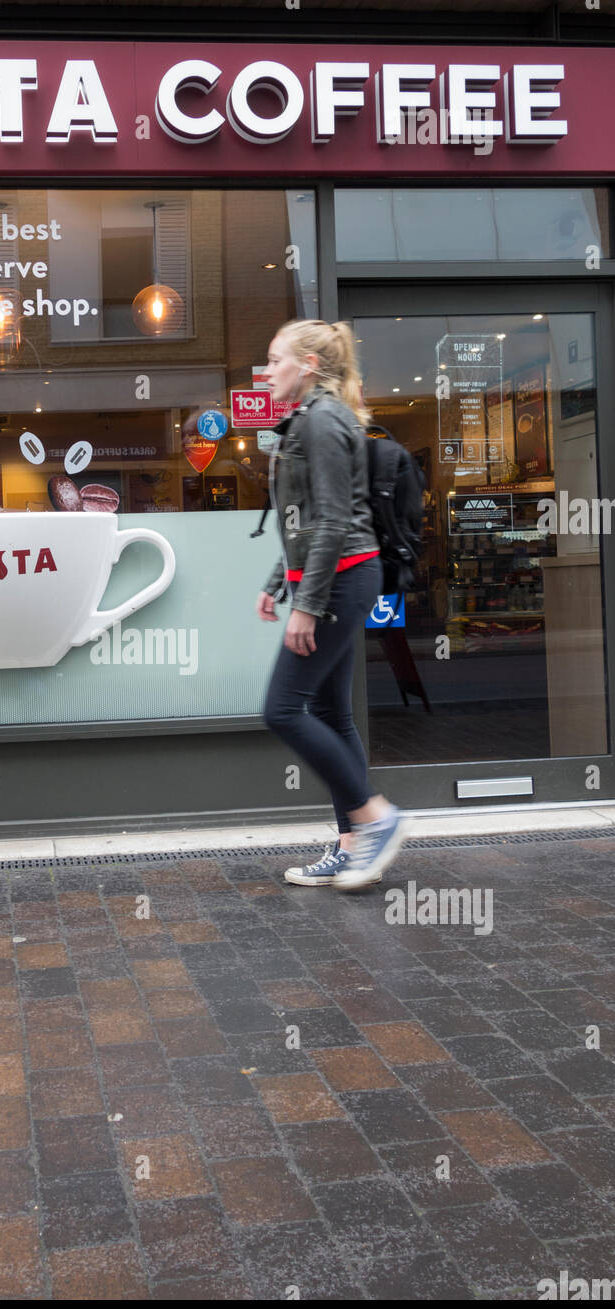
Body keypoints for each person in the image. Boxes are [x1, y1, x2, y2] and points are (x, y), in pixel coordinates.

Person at [256, 319, 409, 889]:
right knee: (330, 714)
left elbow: (334, 521)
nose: (266, 372)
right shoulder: (313, 416)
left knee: (282, 709)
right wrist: (279, 581)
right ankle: (351, 845)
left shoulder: (321, 420)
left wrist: (308, 606)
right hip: (336, 577)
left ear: (309, 365)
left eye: (276, 360)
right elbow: (305, 519)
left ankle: (377, 818)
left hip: (342, 579)